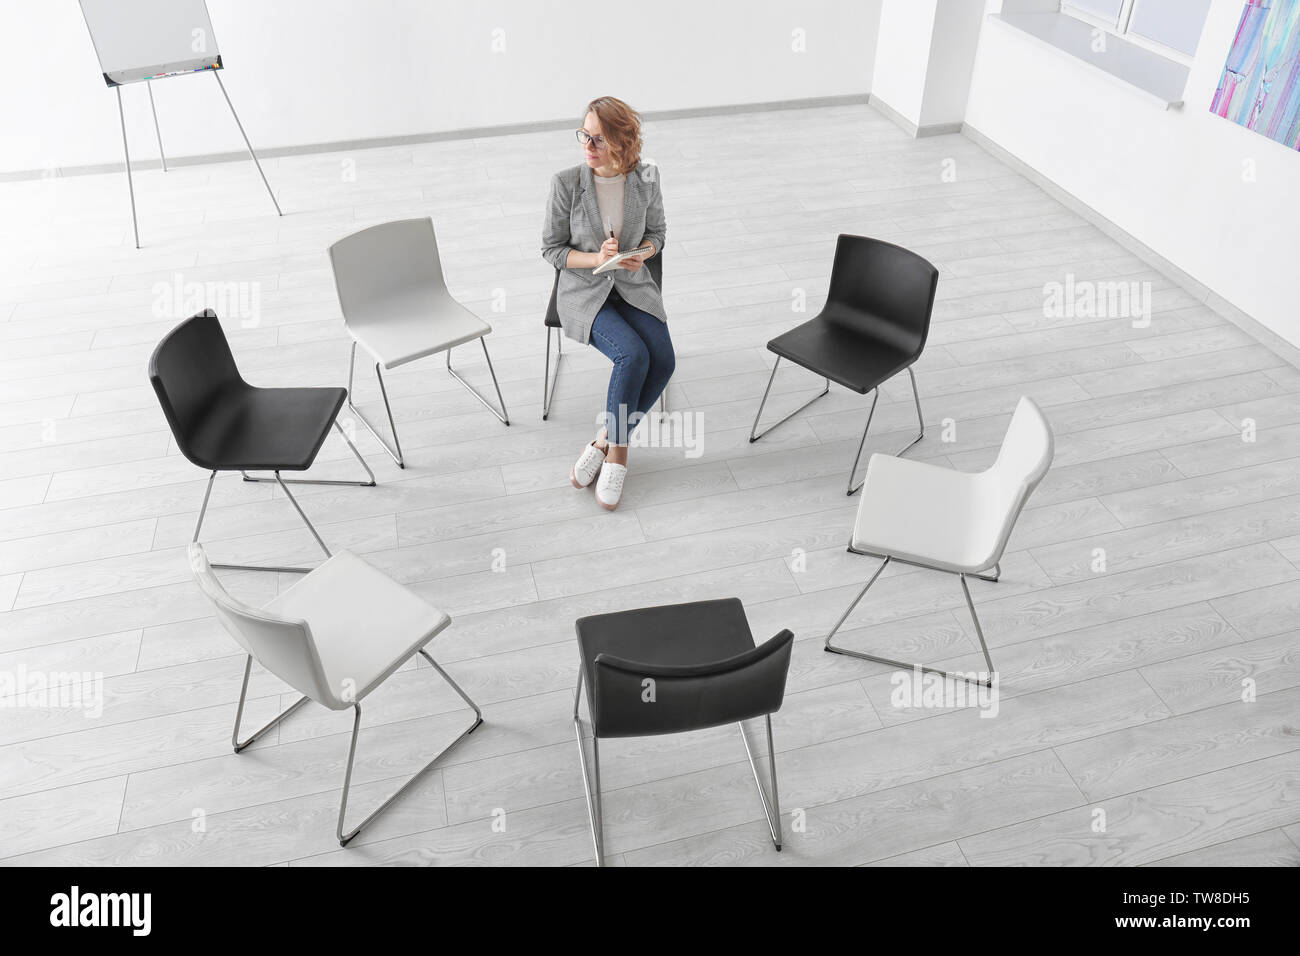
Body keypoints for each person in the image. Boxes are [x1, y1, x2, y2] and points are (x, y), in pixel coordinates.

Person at [541, 96, 673, 510]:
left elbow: (659, 233)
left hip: (632, 284)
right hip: (585, 290)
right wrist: (597, 259)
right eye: (584, 135)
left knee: (664, 361)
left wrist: (644, 254)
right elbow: (552, 250)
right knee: (632, 356)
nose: (588, 146)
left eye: (599, 139)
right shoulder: (566, 183)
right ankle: (619, 456)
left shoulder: (646, 179)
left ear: (622, 142)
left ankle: (602, 440)